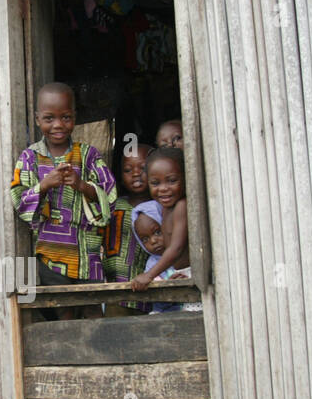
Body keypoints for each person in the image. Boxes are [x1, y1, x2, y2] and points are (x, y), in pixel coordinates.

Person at [10, 82, 117, 319]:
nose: (58, 125)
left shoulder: (88, 154)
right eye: (49, 118)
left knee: (93, 313)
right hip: (51, 256)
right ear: (37, 119)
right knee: (63, 313)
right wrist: (44, 185)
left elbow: (109, 197)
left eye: (66, 117)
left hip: (88, 254)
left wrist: (82, 186)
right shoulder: (30, 158)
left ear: (75, 118)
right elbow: (19, 200)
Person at [104, 140, 153, 315]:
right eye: (128, 170)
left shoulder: (159, 209)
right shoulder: (113, 207)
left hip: (148, 290)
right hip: (114, 291)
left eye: (143, 168)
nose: (135, 174)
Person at [131, 147, 190, 290]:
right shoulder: (162, 208)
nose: (163, 188)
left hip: (191, 272)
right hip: (179, 273)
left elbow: (176, 248)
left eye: (171, 180)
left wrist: (149, 275)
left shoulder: (182, 206)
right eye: (155, 183)